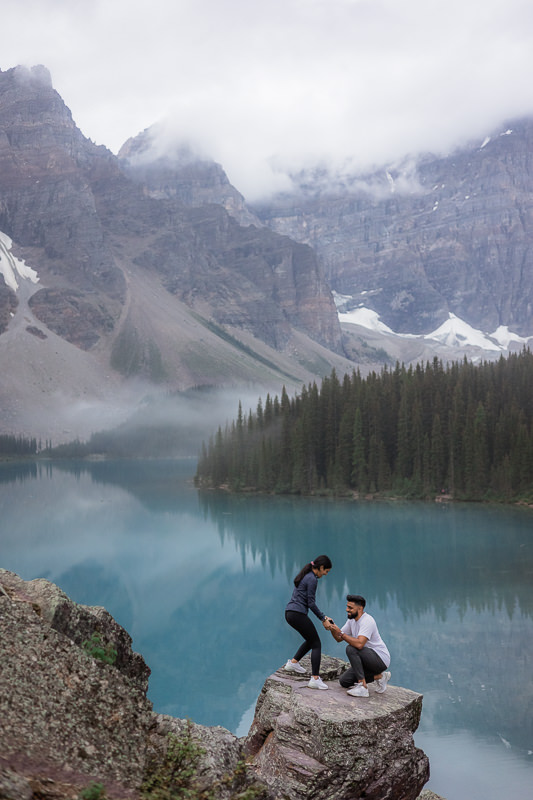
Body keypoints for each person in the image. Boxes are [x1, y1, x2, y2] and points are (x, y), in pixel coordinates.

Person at [284, 554, 333, 690]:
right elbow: (311, 603)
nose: (325, 574)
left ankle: (293, 663)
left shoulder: (306, 575)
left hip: (290, 613)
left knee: (310, 640)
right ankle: (315, 679)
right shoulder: (312, 579)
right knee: (316, 643)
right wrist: (323, 618)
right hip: (297, 614)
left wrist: (323, 617)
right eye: (326, 571)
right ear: (321, 567)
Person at [328, 594, 391, 697]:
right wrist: (332, 628)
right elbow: (339, 638)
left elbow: (360, 644)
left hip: (380, 659)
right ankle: (380, 676)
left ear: (360, 608)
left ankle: (362, 687)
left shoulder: (367, 621)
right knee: (344, 681)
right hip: (366, 659)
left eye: (350, 608)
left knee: (351, 648)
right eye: (347, 606)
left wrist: (341, 634)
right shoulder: (351, 620)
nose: (347, 610)